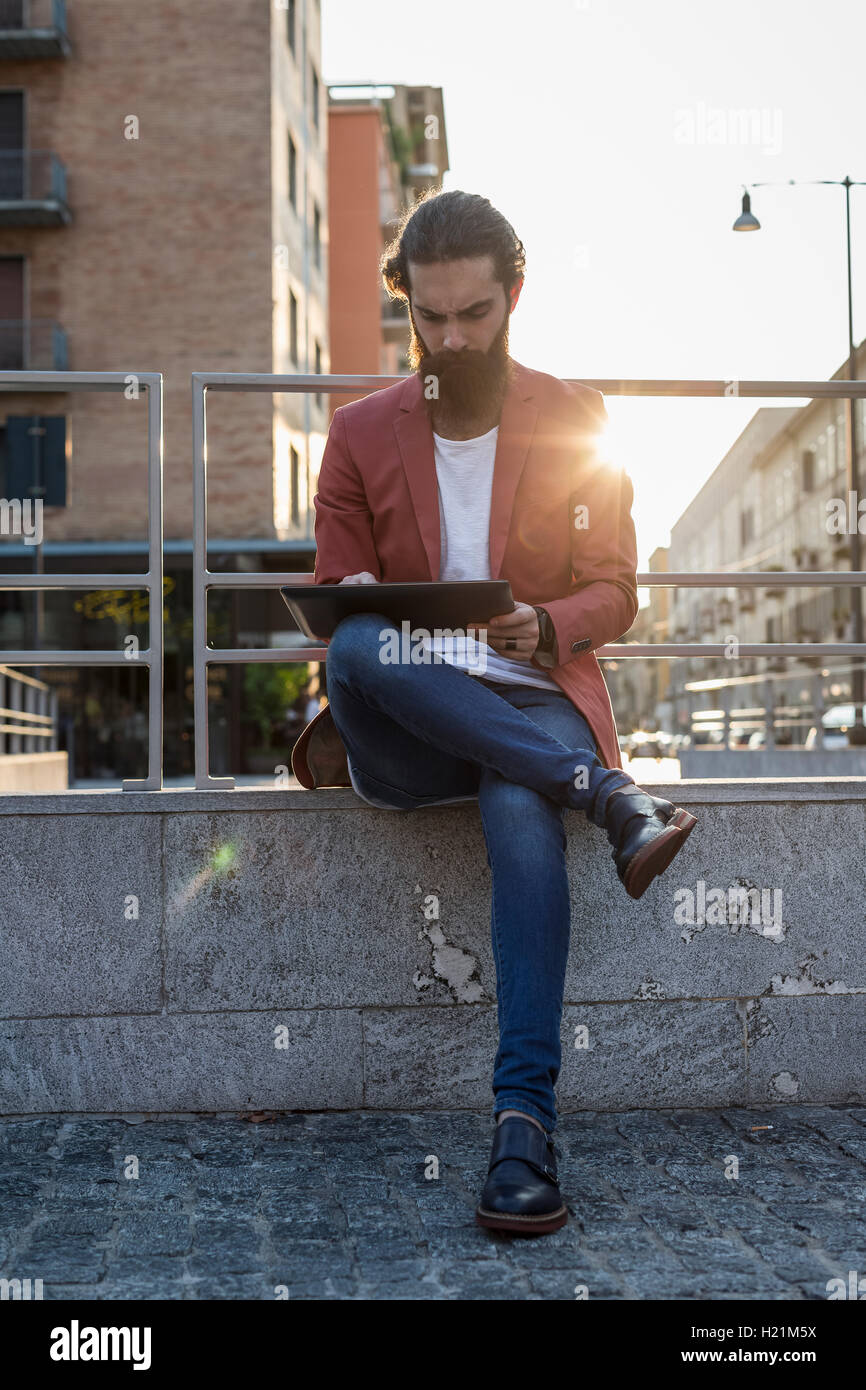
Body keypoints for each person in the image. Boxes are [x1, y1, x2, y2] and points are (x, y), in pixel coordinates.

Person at [291, 189, 697, 1236]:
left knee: (519, 802)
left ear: (512, 296)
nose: (451, 336)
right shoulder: (356, 434)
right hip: (408, 723)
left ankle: (523, 1125)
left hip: (534, 696)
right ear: (407, 306)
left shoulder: (576, 419)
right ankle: (608, 795)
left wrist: (544, 622)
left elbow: (617, 589)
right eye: (429, 317)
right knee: (355, 643)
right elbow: (340, 605)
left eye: (473, 312)